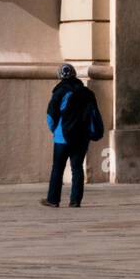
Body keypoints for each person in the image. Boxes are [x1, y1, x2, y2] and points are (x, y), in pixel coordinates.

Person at [41, 64, 102, 208]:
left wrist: (55, 130)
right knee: (77, 168)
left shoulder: (59, 92)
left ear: (60, 76)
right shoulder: (87, 93)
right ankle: (75, 201)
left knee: (58, 168)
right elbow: (94, 115)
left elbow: (50, 116)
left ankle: (53, 200)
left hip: (62, 137)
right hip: (82, 138)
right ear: (75, 75)